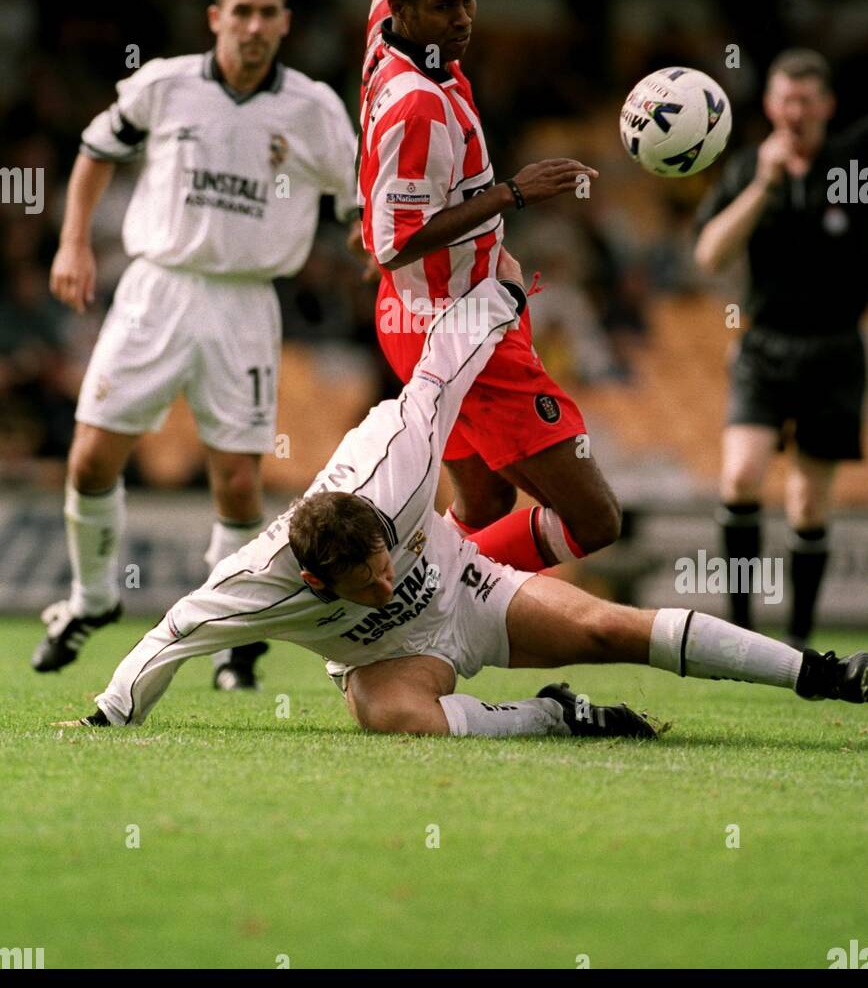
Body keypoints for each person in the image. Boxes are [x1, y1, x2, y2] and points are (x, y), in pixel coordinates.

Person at [66, 252, 867, 734]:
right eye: (366, 584)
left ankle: (824, 673)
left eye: (382, 561)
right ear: (314, 582)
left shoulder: (398, 464)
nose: (383, 581)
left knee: (607, 628)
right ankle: (557, 719)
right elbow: (170, 635)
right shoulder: (258, 584)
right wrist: (108, 713)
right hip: (390, 658)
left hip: (465, 586)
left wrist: (503, 298)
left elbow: (440, 371)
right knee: (386, 718)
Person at [34, 0, 360, 690]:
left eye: (268, 13)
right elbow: (95, 150)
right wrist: (74, 240)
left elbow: (356, 203)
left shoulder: (312, 108)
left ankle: (230, 639)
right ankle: (91, 600)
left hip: (245, 301)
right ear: (215, 17)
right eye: (240, 11)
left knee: (238, 484)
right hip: (156, 290)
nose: (253, 26)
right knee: (89, 460)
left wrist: (372, 247)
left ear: (284, 23)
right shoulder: (165, 83)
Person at [356, 0, 620, 566]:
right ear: (407, 9)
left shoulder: (385, 35)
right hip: (454, 325)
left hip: (421, 319)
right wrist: (512, 192)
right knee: (595, 521)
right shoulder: (418, 107)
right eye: (446, 7)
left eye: (469, 1)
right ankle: (435, 605)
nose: (464, 19)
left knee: (484, 503)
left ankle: (435, 600)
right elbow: (391, 240)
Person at [695, 48, 868, 643]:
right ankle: (742, 634)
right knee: (741, 478)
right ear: (769, 105)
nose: (795, 111)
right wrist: (764, 187)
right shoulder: (746, 169)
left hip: (835, 352)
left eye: (807, 99)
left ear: (827, 105)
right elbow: (710, 253)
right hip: (763, 349)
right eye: (785, 99)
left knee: (808, 507)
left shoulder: (853, 170)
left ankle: (798, 640)